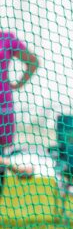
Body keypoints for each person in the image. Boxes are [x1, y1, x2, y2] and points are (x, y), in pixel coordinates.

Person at [0, 28, 38, 194]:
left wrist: (17, 84)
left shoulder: (7, 38)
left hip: (3, 106)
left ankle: (11, 166)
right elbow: (33, 62)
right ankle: (12, 166)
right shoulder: (6, 39)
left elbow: (33, 62)